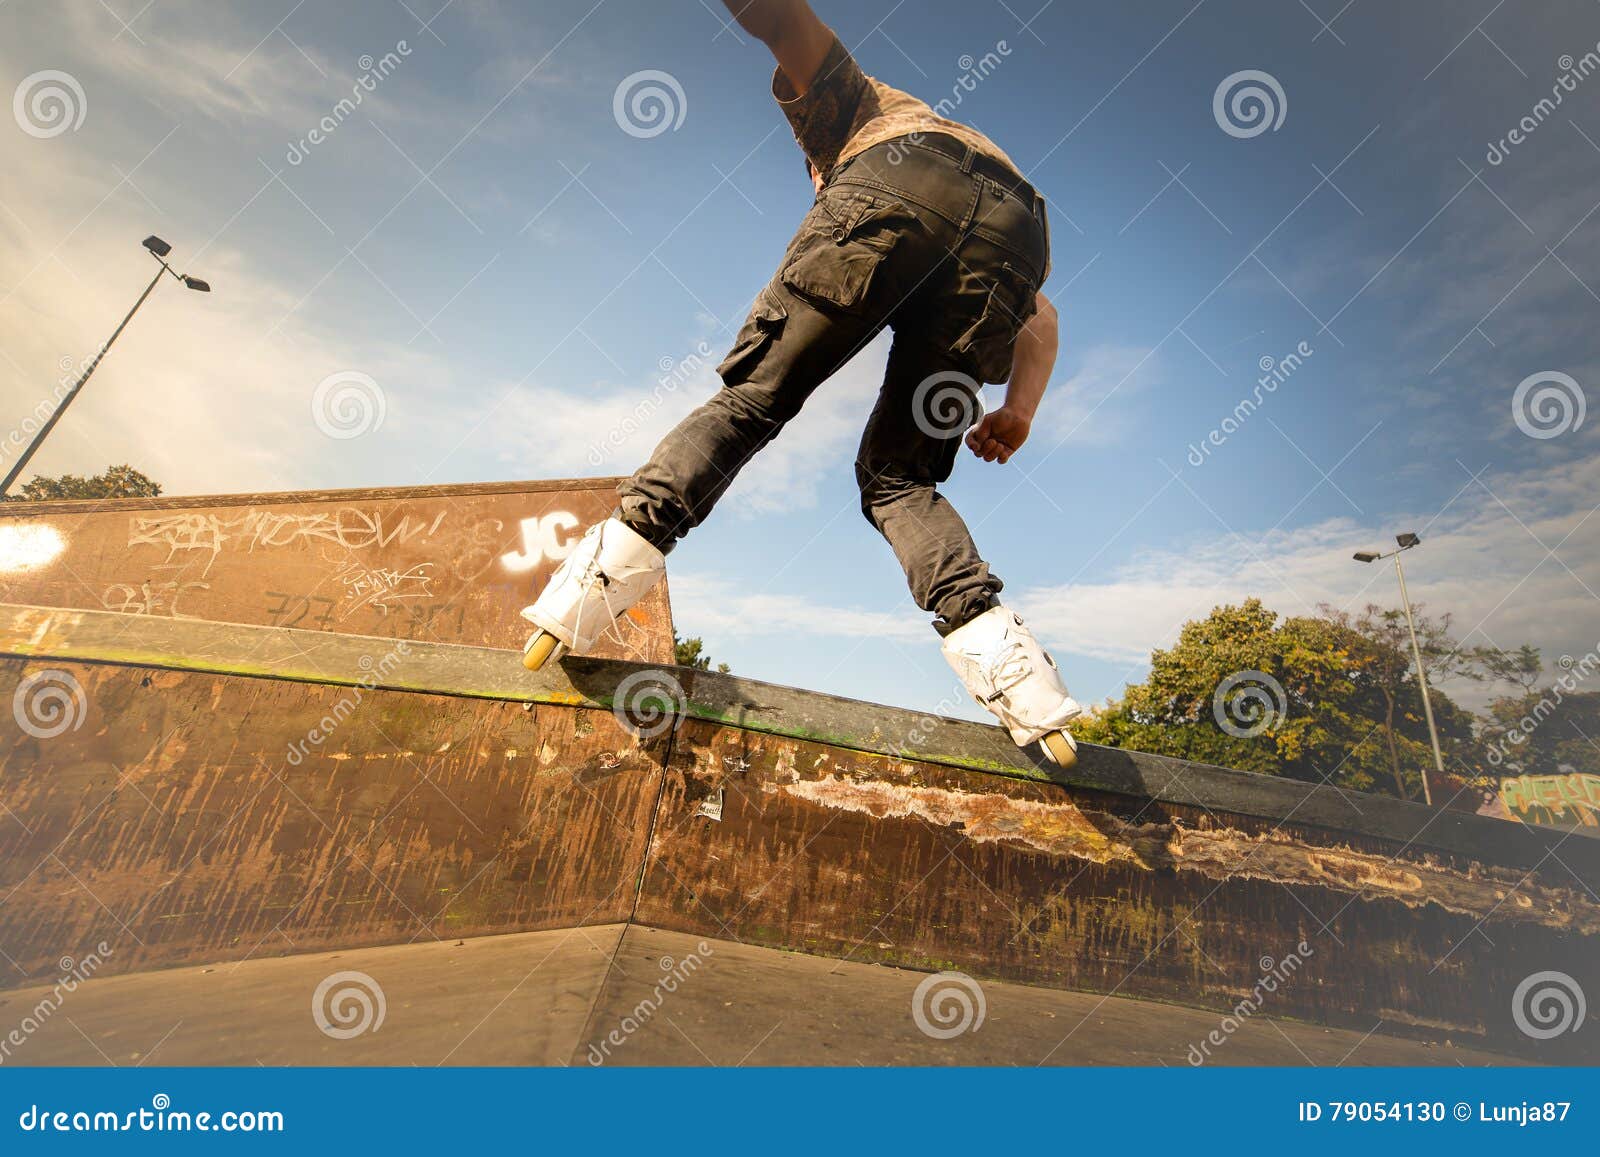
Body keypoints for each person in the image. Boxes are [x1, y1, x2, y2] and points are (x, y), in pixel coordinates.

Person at [522, 0, 1081, 766]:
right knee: (899, 479)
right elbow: (1040, 317)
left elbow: (784, 22)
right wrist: (1017, 410)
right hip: (1019, 231)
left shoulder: (856, 109)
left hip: (896, 169)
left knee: (753, 399)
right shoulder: (949, 141)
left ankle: (593, 582)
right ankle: (1017, 674)